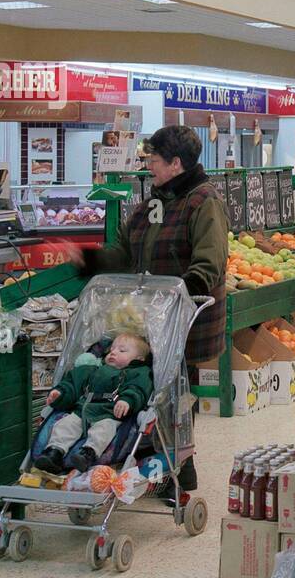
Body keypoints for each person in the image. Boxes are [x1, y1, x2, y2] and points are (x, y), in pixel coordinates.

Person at [75, 126, 228, 495]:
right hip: (146, 320)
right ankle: (149, 468)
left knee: (175, 398)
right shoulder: (154, 202)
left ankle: (179, 473)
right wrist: (89, 259)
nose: (149, 167)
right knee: (145, 392)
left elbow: (210, 264)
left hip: (183, 321)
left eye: (154, 161)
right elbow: (125, 252)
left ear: (176, 163)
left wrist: (177, 297)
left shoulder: (203, 201)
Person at [33, 333, 153, 474]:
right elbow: (74, 383)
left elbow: (138, 389)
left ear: (139, 359)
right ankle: (54, 452)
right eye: (112, 349)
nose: (113, 352)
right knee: (65, 425)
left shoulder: (138, 373)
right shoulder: (93, 368)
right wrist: (60, 393)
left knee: (104, 430)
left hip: (110, 413)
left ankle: (88, 453)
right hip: (82, 410)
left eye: (122, 350)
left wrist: (127, 400)